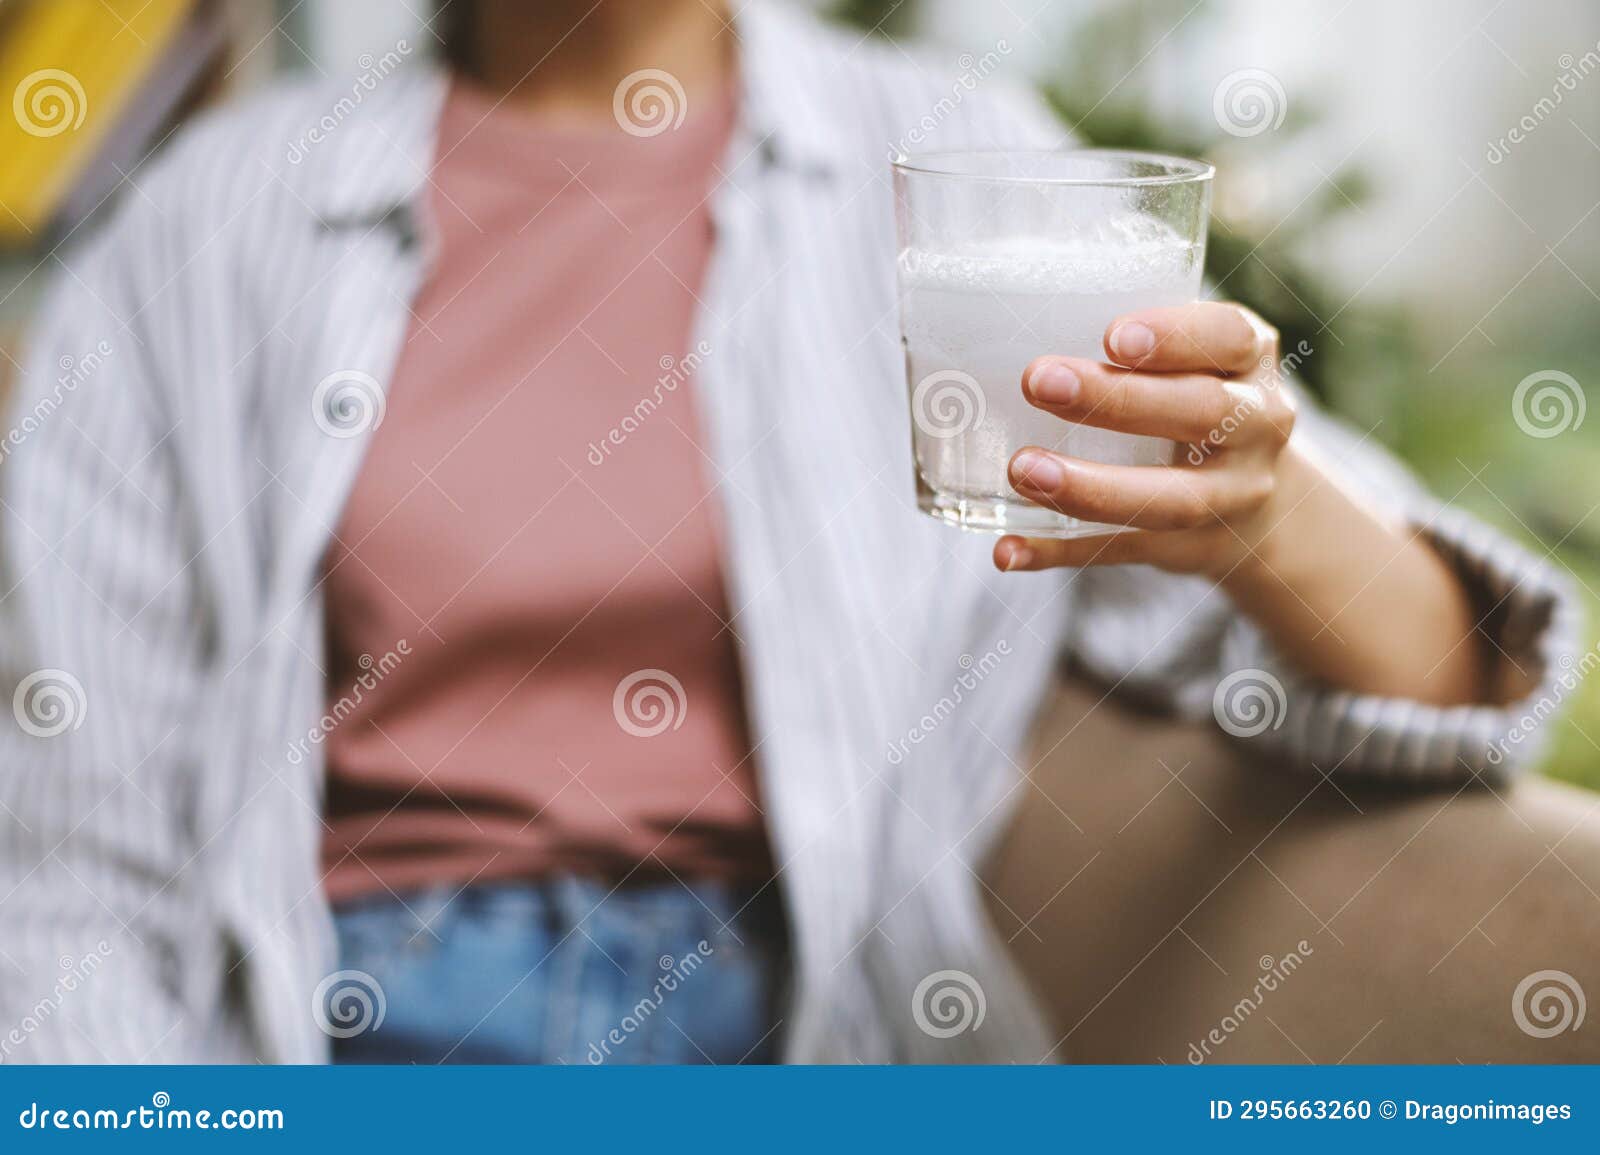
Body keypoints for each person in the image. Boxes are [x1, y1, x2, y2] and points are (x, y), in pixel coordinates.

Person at [0, 0, 1575, 1065]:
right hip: (347, 1027)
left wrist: (1262, 517)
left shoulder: (966, 165)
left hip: (801, 1032)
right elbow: (73, 855)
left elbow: (1449, 681)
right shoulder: (207, 227)